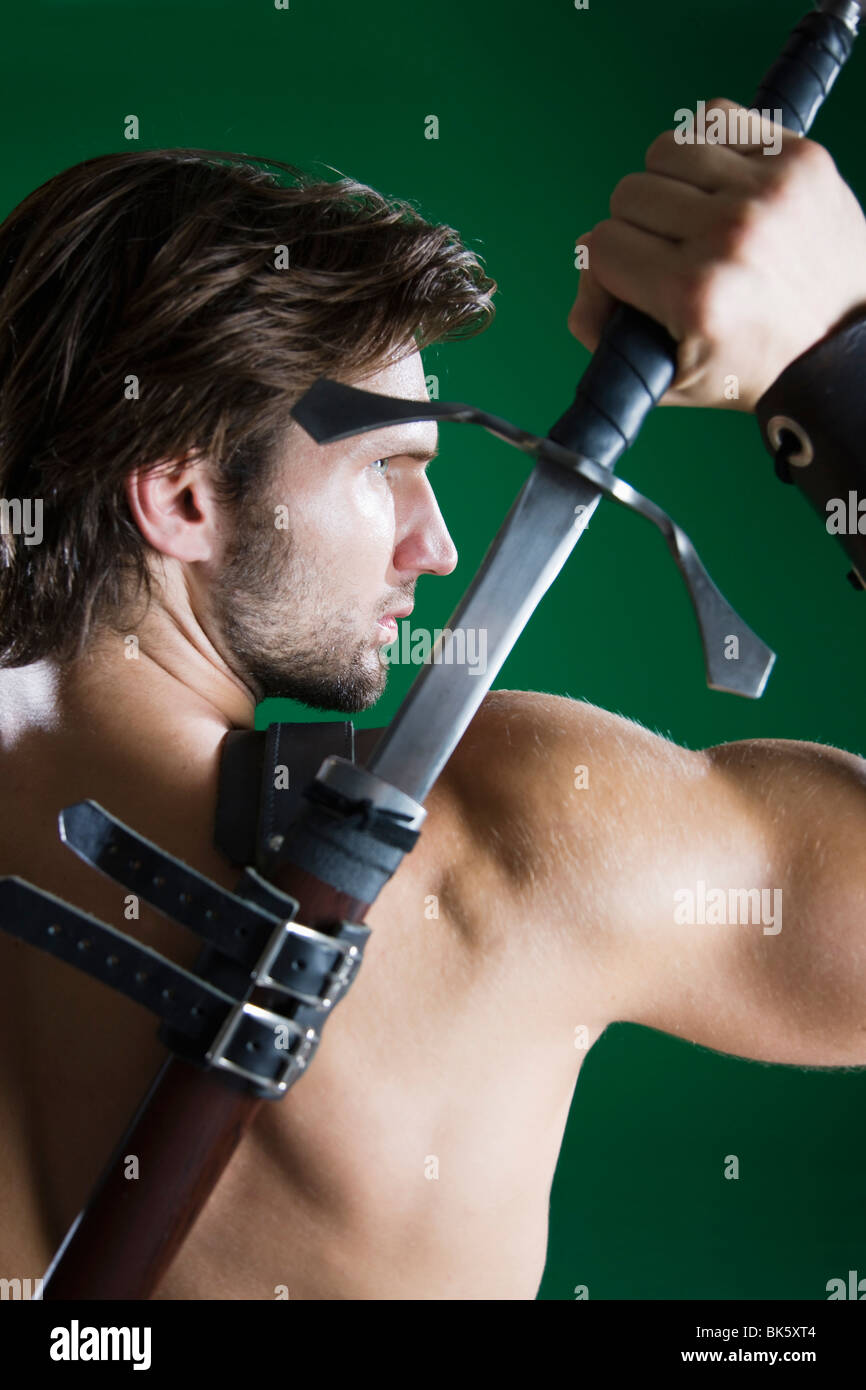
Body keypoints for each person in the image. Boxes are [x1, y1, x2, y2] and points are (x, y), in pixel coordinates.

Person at [0, 99, 864, 1302]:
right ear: (184, 498)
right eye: (386, 468)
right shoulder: (511, 842)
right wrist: (834, 369)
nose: (438, 544)